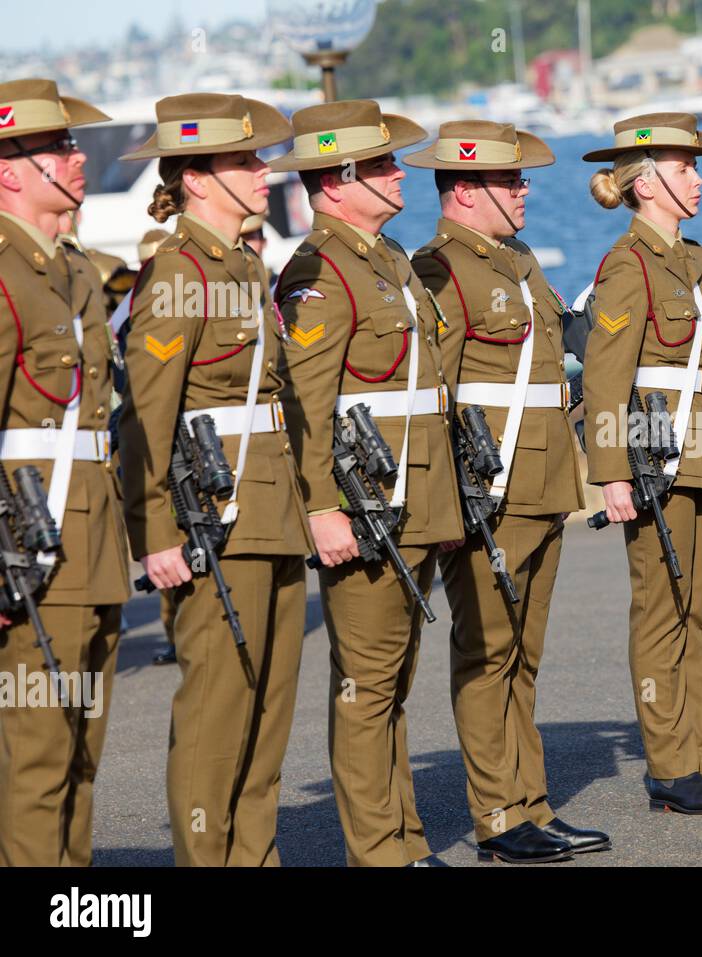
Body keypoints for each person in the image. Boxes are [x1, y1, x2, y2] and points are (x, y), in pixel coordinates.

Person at [117, 93, 313, 866]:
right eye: (245, 161)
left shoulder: (241, 261)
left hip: (271, 507)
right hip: (213, 512)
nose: (263, 172)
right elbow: (144, 413)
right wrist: (155, 529)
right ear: (198, 179)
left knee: (267, 710)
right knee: (216, 710)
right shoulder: (177, 270)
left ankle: (252, 857)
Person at [407, 121, 609, 863]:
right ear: (465, 190)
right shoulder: (437, 271)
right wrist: (453, 494)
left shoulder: (520, 261)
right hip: (489, 493)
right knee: (487, 652)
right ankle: (497, 815)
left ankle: (531, 803)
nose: (525, 190)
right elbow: (436, 390)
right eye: (511, 181)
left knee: (523, 654)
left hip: (544, 480)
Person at [271, 100, 462, 867]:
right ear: (340, 179)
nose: (397, 173)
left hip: (413, 498)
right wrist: (321, 505)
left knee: (394, 679)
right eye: (382, 164)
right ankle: (379, 851)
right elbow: (306, 406)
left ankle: (403, 841)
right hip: (365, 503)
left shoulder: (386, 258)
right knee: (366, 684)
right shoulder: (319, 270)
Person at [581, 112, 702, 812]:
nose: (698, 178)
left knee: (693, 609)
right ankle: (670, 763)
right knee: (660, 609)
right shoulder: (627, 263)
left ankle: (700, 753)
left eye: (696, 167)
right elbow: (604, 376)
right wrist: (609, 471)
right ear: (646, 182)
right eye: (685, 167)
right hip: (655, 450)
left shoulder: (694, 259)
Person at [0, 77, 128, 866]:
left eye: (72, 144)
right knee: (38, 756)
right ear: (10, 167)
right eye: (56, 146)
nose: (75, 159)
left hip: (92, 540)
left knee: (83, 751)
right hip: (29, 545)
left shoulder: (76, 271)